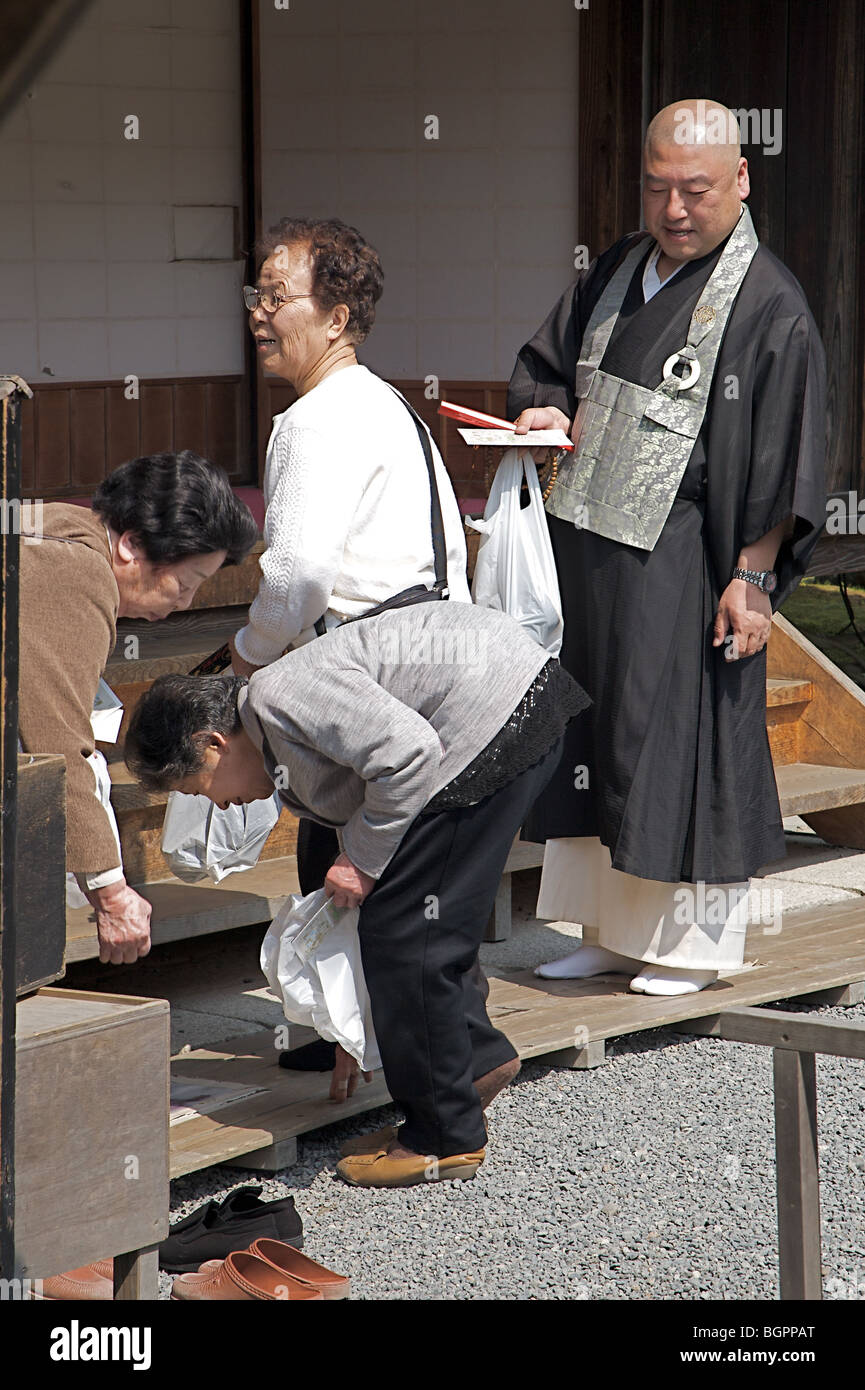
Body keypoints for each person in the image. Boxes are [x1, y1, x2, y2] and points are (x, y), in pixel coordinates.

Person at [507, 99, 826, 997]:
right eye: (657, 189)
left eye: (696, 190)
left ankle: (689, 947)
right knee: (594, 732)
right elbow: (547, 362)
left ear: (740, 180)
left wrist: (752, 576)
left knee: (675, 738)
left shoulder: (768, 303)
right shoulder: (615, 270)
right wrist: (543, 406)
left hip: (688, 559)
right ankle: (609, 932)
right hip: (591, 549)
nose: (674, 210)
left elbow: (786, 452)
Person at [124, 601, 589, 1187]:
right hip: (502, 704)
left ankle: (441, 1138)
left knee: (407, 933)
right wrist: (353, 1028)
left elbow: (408, 754)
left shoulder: (277, 697)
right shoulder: (274, 727)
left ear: (213, 743)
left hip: (493, 709)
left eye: (199, 789)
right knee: (415, 918)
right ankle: (471, 1066)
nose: (218, 804)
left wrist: (363, 863)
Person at [228, 216, 471, 896]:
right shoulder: (386, 402)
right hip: (433, 668)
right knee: (406, 893)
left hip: (363, 680)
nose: (259, 314)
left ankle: (341, 1006)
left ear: (336, 318)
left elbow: (298, 574)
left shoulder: (315, 419)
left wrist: (252, 646)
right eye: (257, 295)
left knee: (346, 890)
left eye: (277, 297)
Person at [18, 452, 258, 965]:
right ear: (130, 546)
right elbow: (58, 740)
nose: (186, 603)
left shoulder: (62, 527)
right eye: (186, 582)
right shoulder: (75, 571)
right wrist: (110, 891)